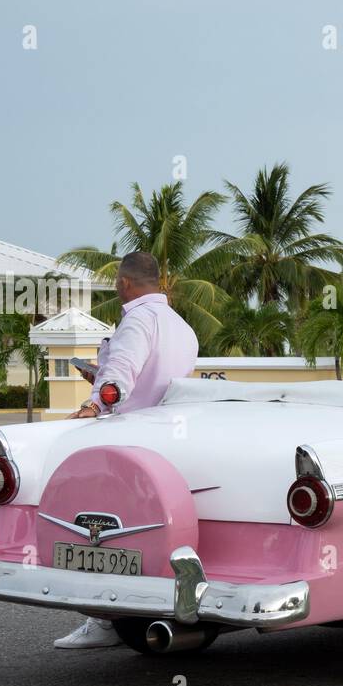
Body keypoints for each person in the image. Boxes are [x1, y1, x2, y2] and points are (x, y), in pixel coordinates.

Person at [53, 251, 199, 649]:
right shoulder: (183, 328)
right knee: (144, 536)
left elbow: (120, 376)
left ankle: (102, 621)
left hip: (126, 440)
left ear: (124, 283)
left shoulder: (137, 319)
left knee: (96, 533)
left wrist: (91, 405)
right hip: (166, 441)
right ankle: (131, 614)